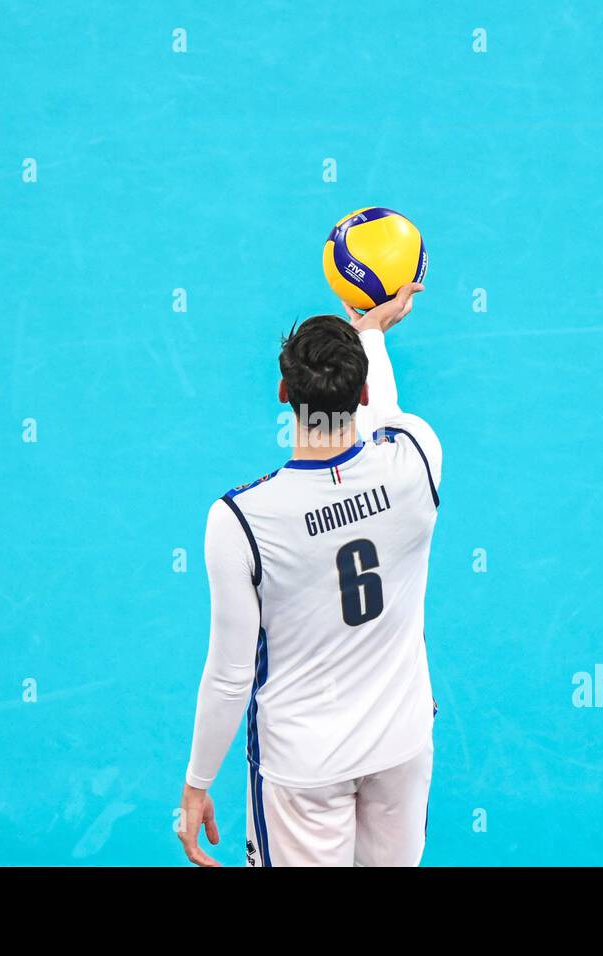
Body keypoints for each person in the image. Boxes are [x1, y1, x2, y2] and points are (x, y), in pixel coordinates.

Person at [178, 283, 441, 866]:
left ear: (282, 392)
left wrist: (198, 783)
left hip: (304, 768)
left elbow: (230, 675)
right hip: (401, 747)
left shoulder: (241, 521)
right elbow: (388, 422)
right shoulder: (418, 463)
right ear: (364, 387)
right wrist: (371, 330)